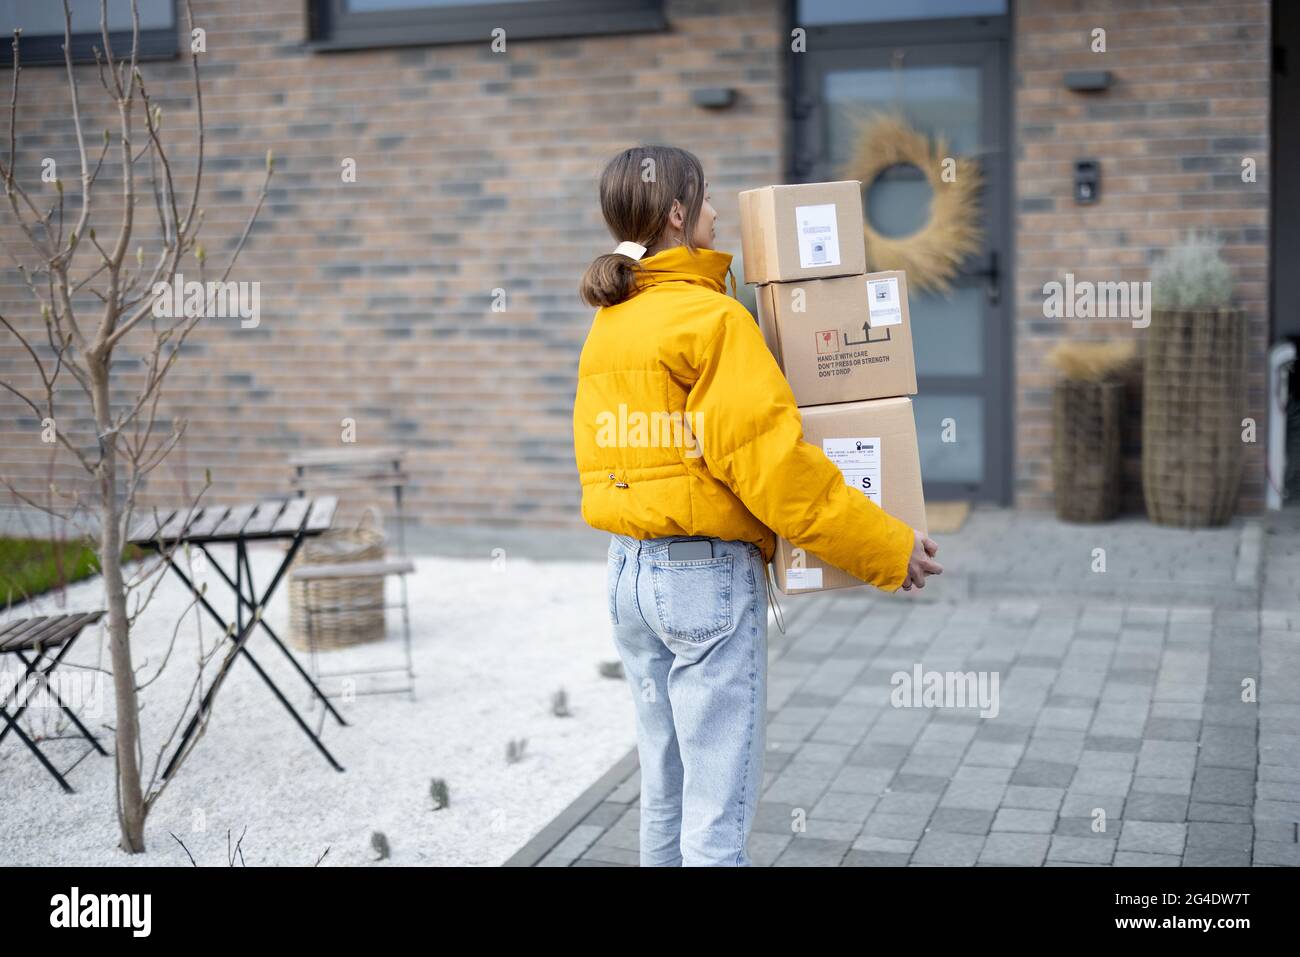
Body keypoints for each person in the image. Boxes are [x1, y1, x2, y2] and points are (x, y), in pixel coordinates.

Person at [573, 145, 942, 866]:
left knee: (668, 786)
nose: (717, 210)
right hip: (702, 582)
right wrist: (886, 546)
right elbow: (776, 471)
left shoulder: (611, 320)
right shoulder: (711, 321)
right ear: (678, 213)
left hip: (627, 576)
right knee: (717, 809)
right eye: (706, 198)